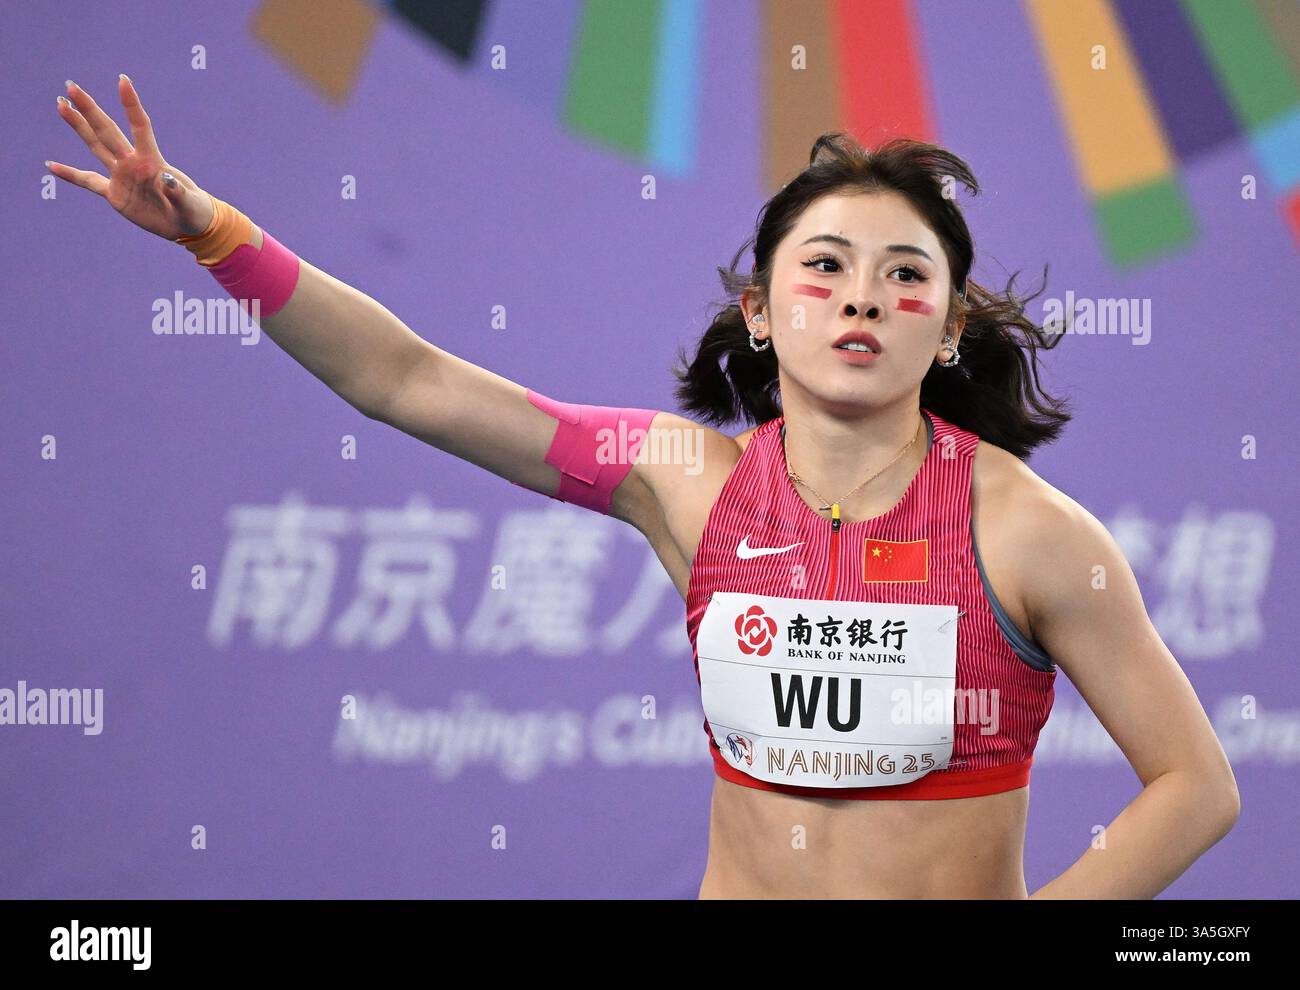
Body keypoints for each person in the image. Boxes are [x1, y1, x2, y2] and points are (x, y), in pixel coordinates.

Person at [48, 75, 1240, 900]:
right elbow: (402, 383)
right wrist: (214, 235)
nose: (863, 297)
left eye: (903, 277)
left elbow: (1193, 785)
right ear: (761, 315)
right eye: (823, 269)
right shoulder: (684, 485)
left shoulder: (1026, 531)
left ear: (948, 335)